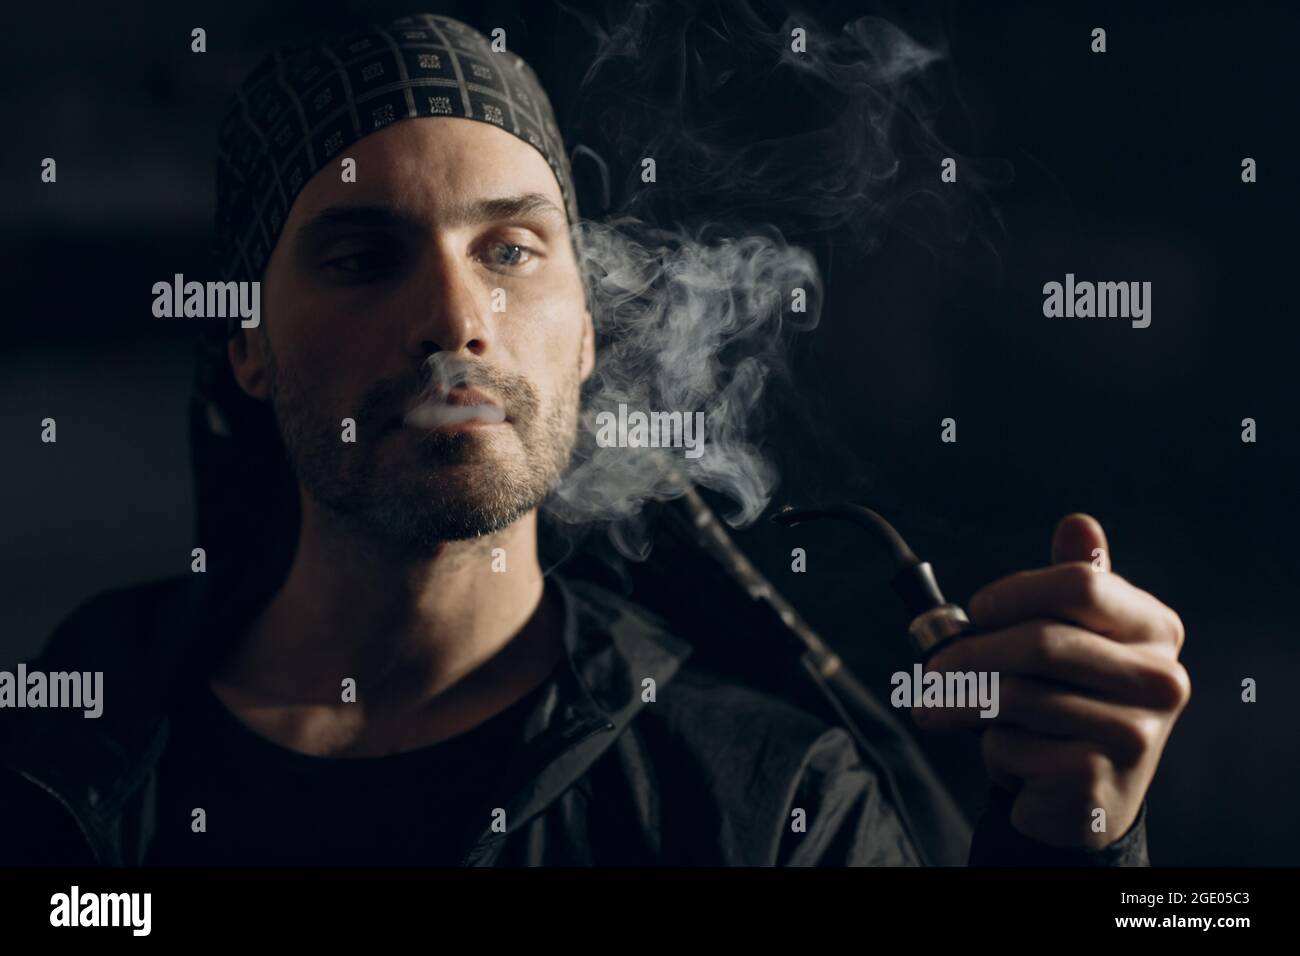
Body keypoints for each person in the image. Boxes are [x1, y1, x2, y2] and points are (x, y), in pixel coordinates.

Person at [0, 13, 1187, 866]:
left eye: (511, 249)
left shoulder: (762, 799)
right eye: (364, 256)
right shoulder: (67, 751)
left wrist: (1078, 845)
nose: (457, 320)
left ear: (583, 337)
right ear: (247, 345)